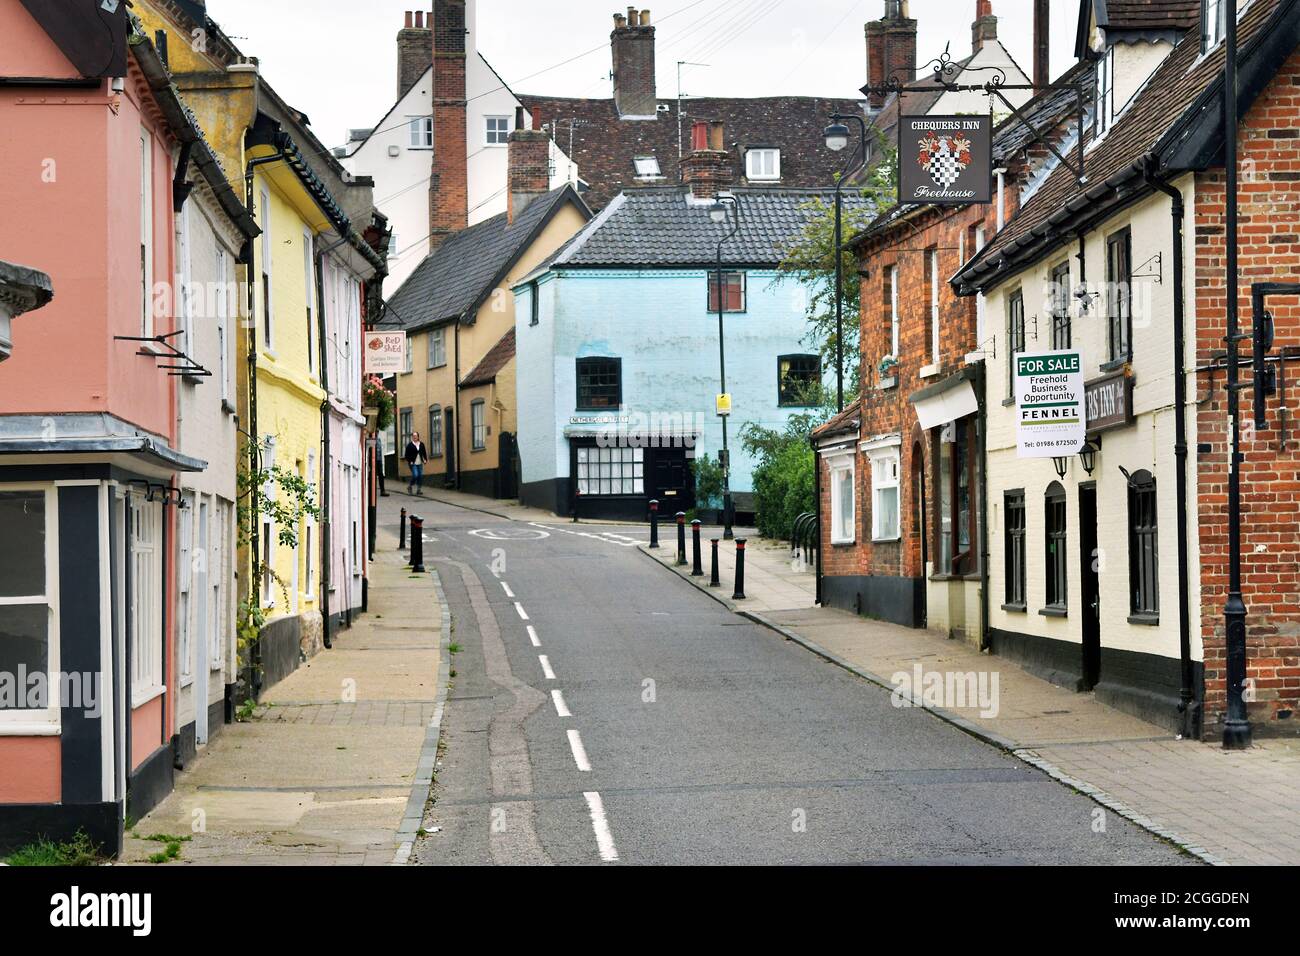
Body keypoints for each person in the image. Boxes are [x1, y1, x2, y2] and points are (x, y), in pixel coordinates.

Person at [404, 431, 428, 496]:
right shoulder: (409, 445)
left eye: (416, 436)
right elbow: (406, 455)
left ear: (418, 437)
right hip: (413, 463)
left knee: (420, 476)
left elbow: (424, 453)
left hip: (420, 463)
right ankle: (410, 486)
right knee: (415, 475)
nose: (415, 437)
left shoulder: (421, 444)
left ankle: (419, 490)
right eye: (413, 436)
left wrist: (425, 460)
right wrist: (410, 461)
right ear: (412, 437)